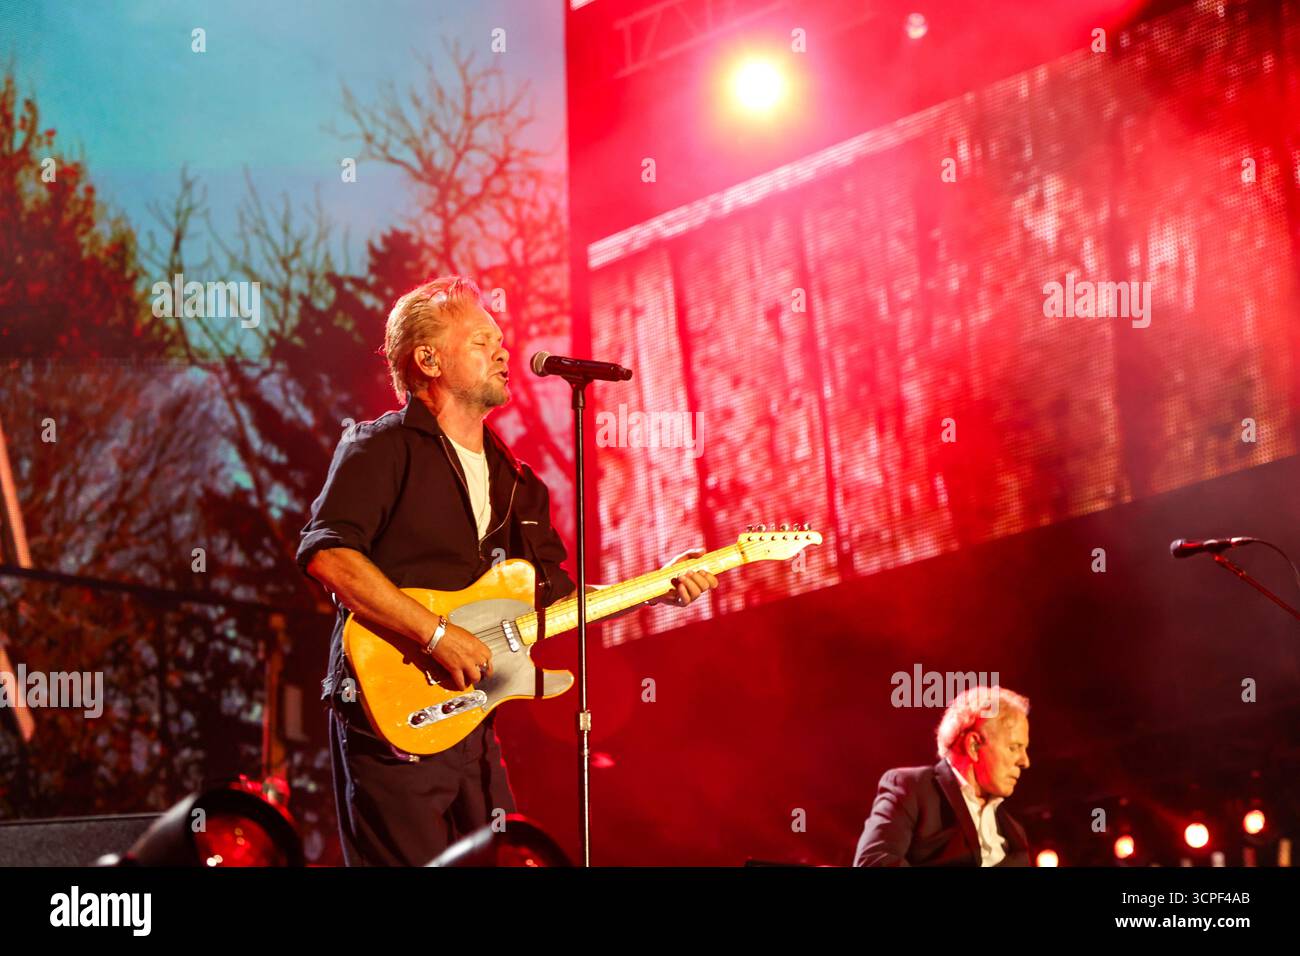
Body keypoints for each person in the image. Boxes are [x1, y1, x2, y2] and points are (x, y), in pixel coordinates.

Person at [296, 276, 718, 865]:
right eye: (480, 341)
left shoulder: (518, 481)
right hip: (387, 714)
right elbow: (330, 555)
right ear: (429, 359)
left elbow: (558, 606)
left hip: (473, 722)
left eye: (501, 340)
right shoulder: (381, 448)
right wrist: (438, 634)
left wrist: (654, 589)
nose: (502, 351)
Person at [854, 685, 1031, 866]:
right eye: (1013, 747)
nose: (1025, 761)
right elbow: (874, 862)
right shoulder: (911, 788)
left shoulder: (1015, 831)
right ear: (973, 746)